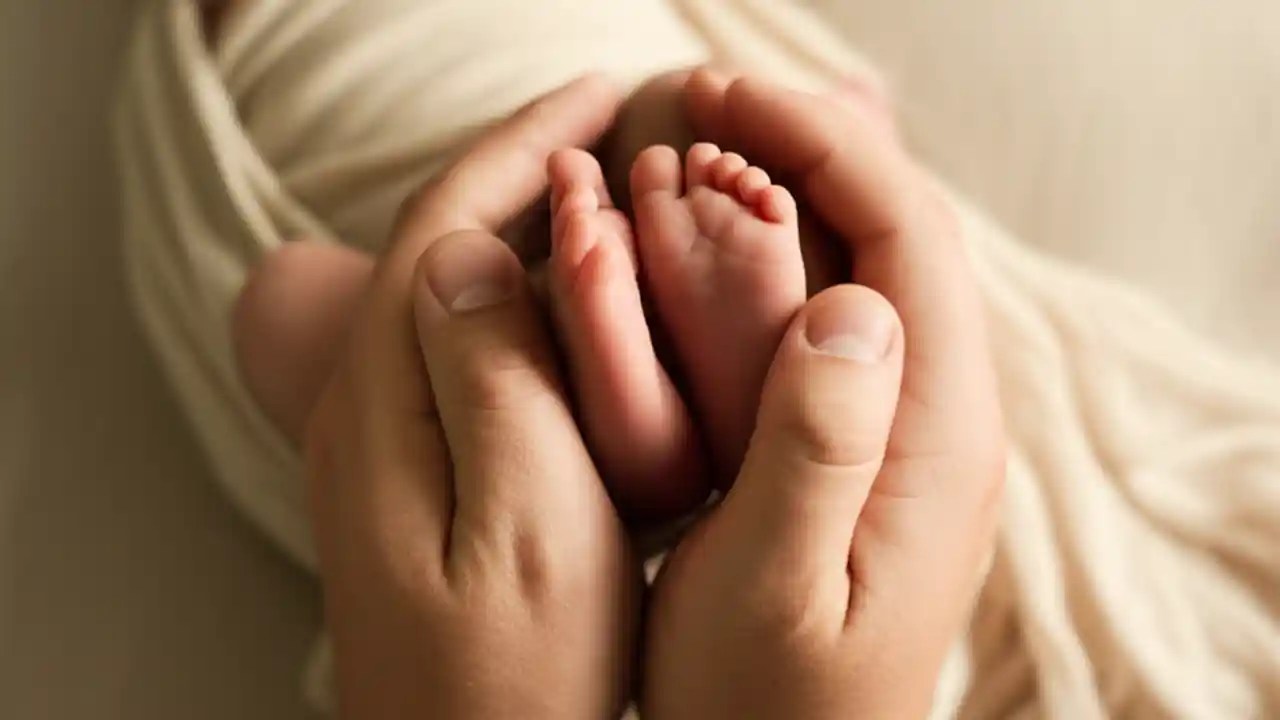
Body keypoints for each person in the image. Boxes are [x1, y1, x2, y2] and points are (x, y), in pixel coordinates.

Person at [257, 67, 1004, 718]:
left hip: (472, 551)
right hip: (822, 604)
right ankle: (678, 392)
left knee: (277, 304)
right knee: (682, 116)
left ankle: (618, 375)